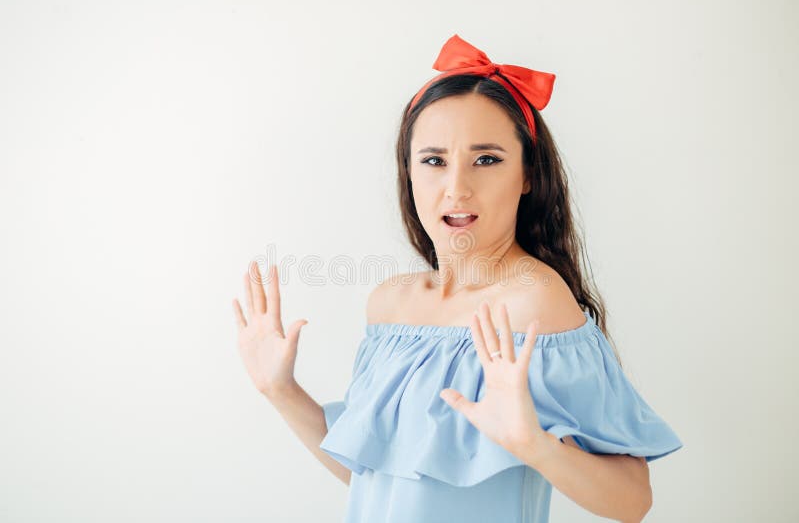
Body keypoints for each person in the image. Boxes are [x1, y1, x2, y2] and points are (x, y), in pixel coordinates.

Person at [232, 34, 683, 523]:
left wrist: (533, 445)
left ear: (528, 174)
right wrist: (281, 390)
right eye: (434, 161)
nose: (456, 188)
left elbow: (632, 500)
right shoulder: (389, 306)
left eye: (486, 160)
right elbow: (377, 477)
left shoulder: (536, 303)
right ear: (408, 173)